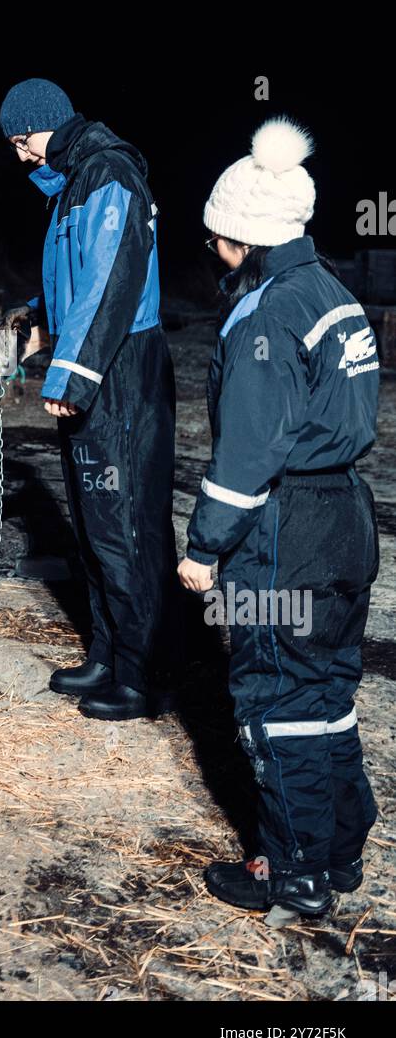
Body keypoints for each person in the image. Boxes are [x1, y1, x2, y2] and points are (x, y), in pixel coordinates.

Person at [178, 116, 380, 916]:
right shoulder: (333, 293)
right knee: (327, 683)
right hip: (346, 521)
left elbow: (250, 453)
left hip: (284, 528)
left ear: (242, 239)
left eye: (217, 239)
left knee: (274, 697)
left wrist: (204, 547)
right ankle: (338, 850)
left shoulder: (264, 313)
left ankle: (291, 872)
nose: (213, 252)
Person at [0, 77, 177, 721]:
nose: (19, 155)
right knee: (97, 521)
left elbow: (110, 282)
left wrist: (72, 376)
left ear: (46, 123)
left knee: (126, 522)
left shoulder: (109, 174)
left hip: (121, 366)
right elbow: (71, 281)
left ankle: (143, 673)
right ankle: (109, 652)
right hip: (100, 361)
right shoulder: (72, 183)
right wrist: (32, 319)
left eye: (21, 140)